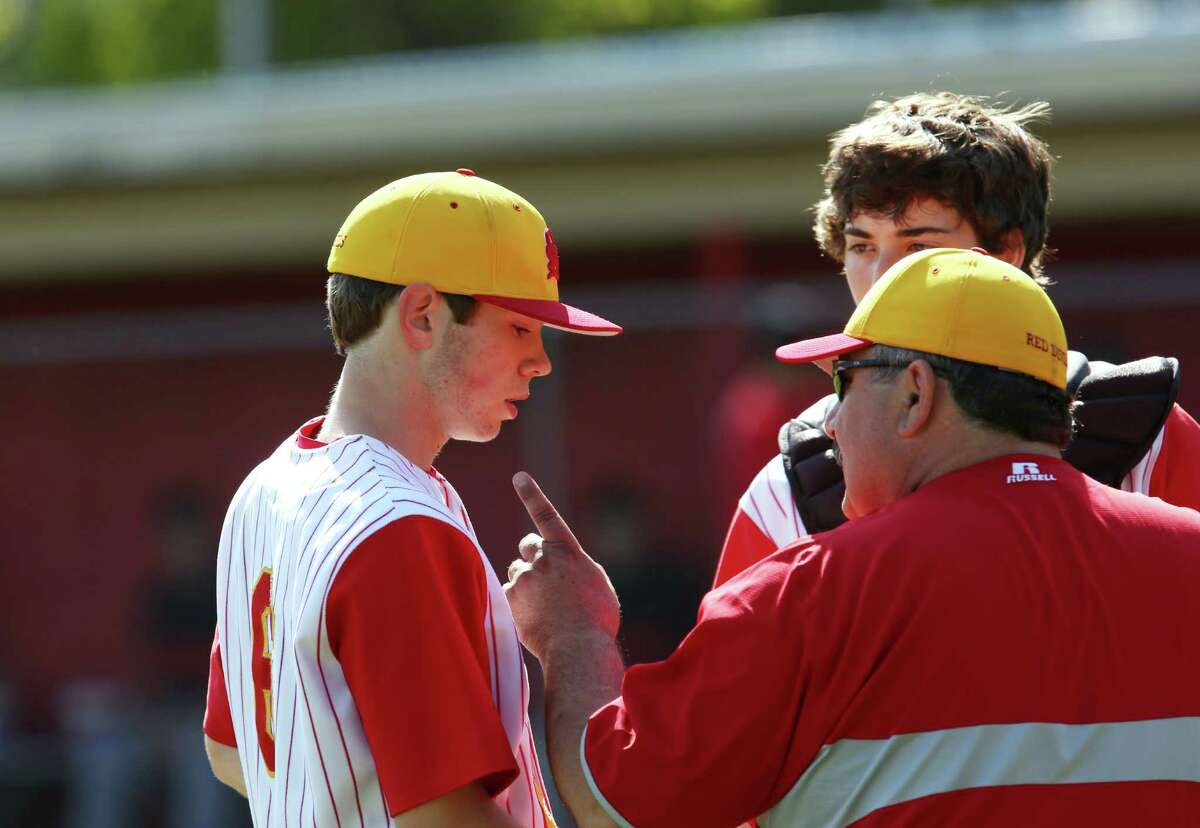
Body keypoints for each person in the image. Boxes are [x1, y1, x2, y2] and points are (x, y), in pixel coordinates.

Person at [505, 247, 1200, 827]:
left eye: (845, 380)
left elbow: (616, 796)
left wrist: (572, 637)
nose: (829, 421)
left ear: (915, 394)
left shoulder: (815, 589)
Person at [202, 169, 620, 828]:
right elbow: (446, 818)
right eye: (518, 328)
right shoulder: (394, 523)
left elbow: (230, 753)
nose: (541, 360)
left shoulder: (266, 488)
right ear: (422, 314)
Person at [714, 92, 1200, 588]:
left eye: (918, 246)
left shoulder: (1140, 431)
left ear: (1005, 251)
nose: (881, 276)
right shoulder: (797, 479)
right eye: (862, 246)